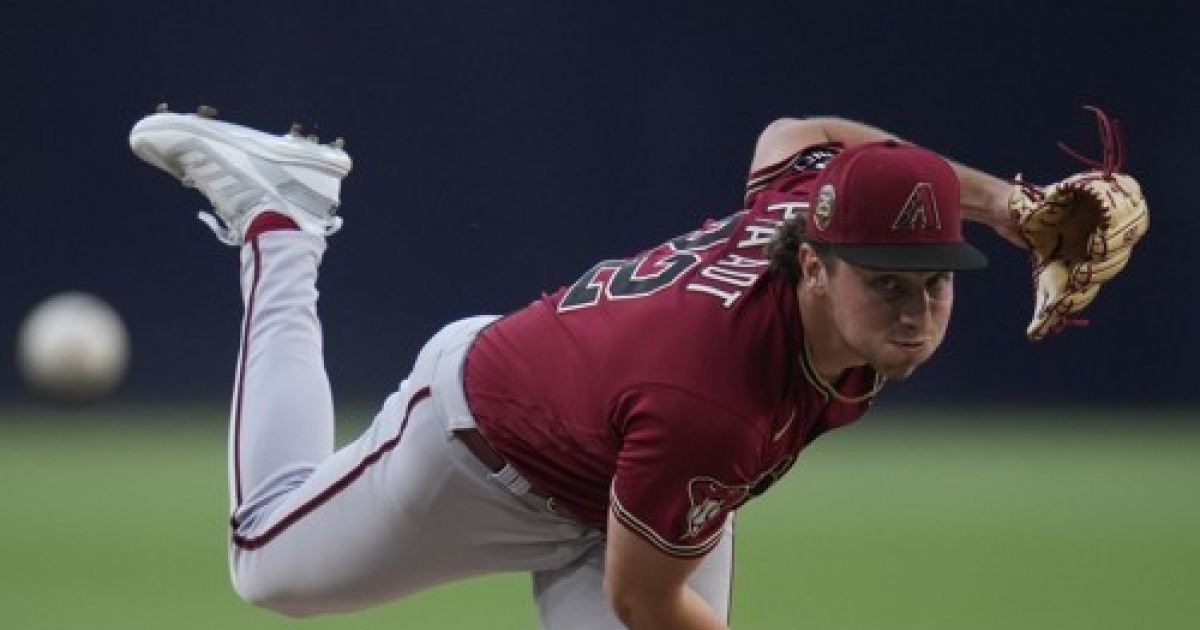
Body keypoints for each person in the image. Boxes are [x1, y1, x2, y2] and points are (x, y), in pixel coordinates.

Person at [129, 108, 1022, 629]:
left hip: (638, 469)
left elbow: (797, 132)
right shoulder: (713, 400)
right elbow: (640, 598)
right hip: (480, 449)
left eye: (935, 282)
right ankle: (283, 224)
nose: (914, 309)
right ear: (816, 266)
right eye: (885, 281)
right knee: (264, 566)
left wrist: (1009, 207)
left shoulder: (805, 214)